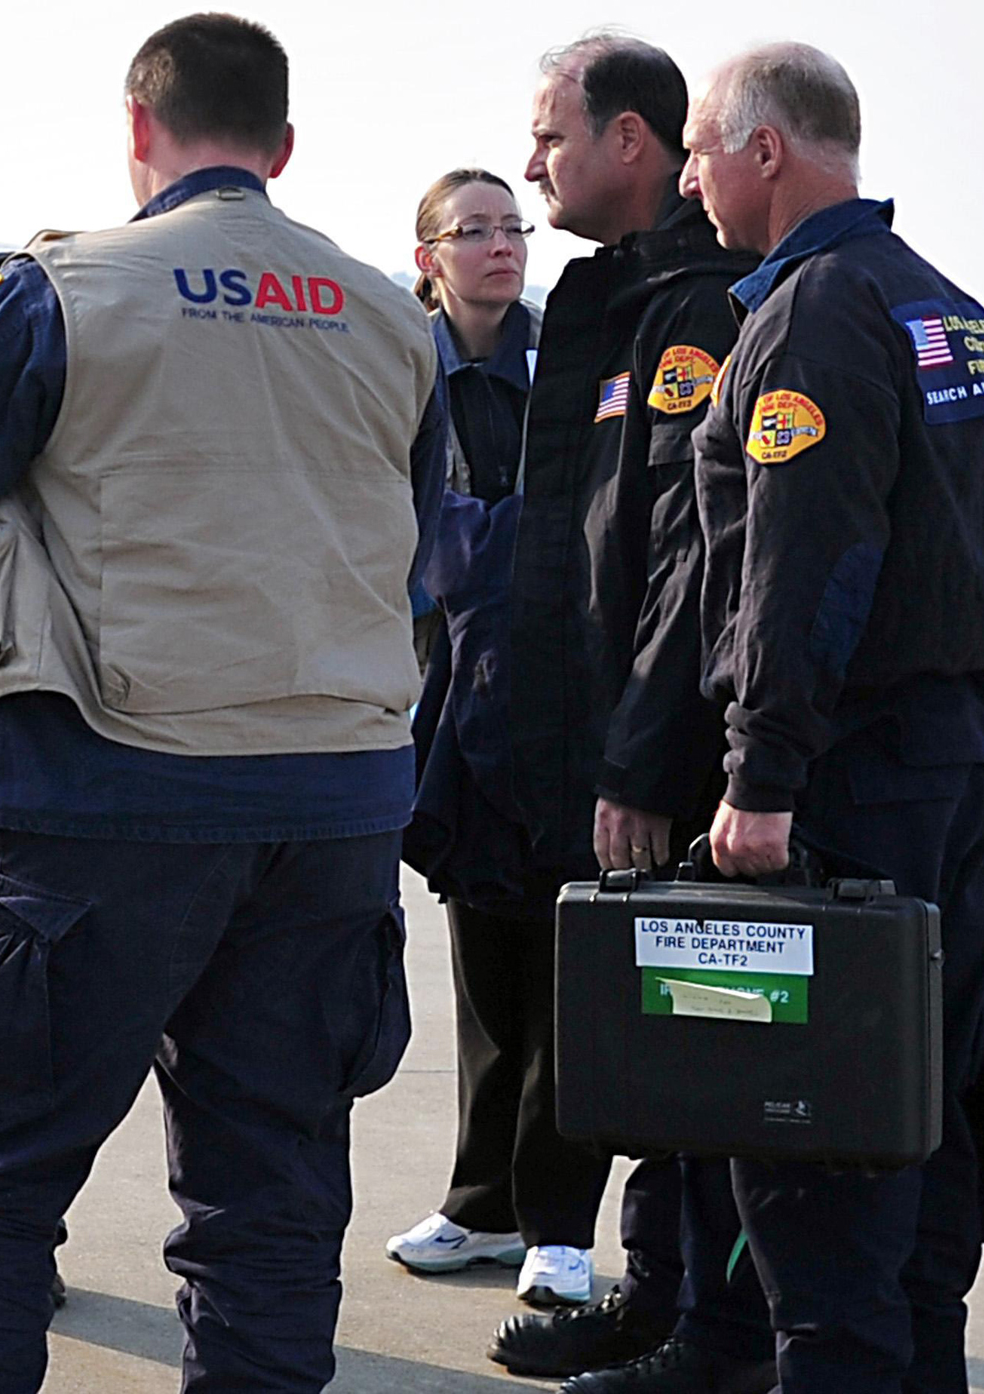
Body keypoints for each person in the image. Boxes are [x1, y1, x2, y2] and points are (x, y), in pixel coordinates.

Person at [0, 15, 445, 1392]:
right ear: (283, 148)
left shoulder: (69, 293)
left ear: (136, 131)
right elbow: (427, 557)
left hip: (104, 796)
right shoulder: (387, 316)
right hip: (332, 811)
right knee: (272, 1205)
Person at [594, 43, 984, 1394]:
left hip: (851, 787)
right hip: (956, 774)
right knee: (922, 1115)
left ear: (765, 151)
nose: (688, 179)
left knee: (812, 1141)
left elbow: (804, 566)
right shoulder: (948, 310)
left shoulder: (813, 316)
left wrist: (762, 776)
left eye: (699, 153)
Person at [493, 34, 781, 1393]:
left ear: (634, 144)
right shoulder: (607, 297)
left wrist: (640, 753)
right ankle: (657, 1290)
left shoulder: (702, 306)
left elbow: (690, 558)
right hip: (579, 729)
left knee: (693, 1022)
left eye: (552, 132)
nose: (532, 157)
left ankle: (699, 1322)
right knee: (636, 1022)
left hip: (650, 746)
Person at [389, 167, 568, 1299]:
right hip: (445, 708)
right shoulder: (402, 368)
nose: (502, 246)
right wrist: (507, 539)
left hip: (560, 704)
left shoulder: (570, 361)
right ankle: (482, 1203)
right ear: (430, 257)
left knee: (567, 971)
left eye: (514, 227)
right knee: (486, 964)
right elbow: (414, 539)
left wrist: (488, 541)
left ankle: (559, 1221)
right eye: (475, 231)